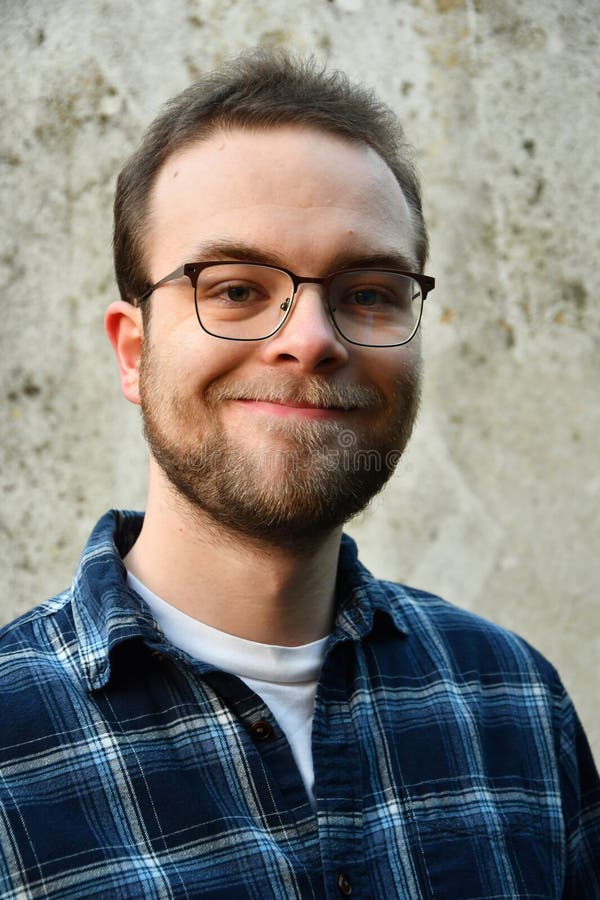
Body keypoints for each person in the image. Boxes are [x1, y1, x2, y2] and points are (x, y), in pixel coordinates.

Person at [1, 50, 598, 899]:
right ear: (134, 353)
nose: (312, 339)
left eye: (369, 292)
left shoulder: (515, 704)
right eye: (236, 289)